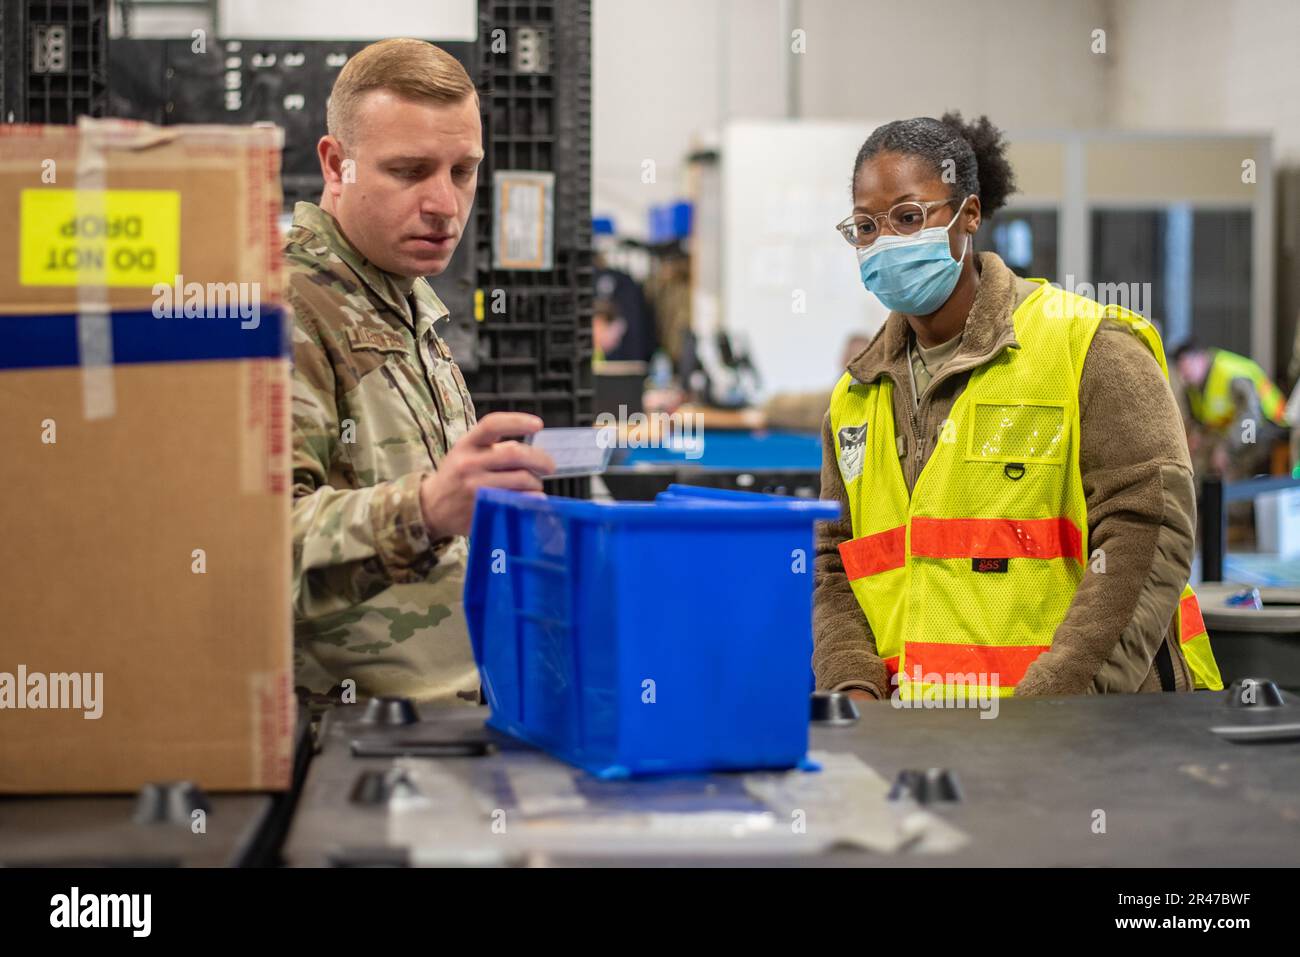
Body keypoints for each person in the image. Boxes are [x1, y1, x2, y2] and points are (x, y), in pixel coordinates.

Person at [815, 112, 1221, 702]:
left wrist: (1052, 710)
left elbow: (1148, 533)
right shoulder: (857, 396)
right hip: (926, 742)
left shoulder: (1088, 347)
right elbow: (836, 567)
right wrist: (853, 692)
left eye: (908, 217)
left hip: (1094, 740)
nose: (886, 242)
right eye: (866, 227)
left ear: (968, 215)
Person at [287, 39, 554, 704]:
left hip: (451, 725)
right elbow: (239, 548)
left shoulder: (404, 303)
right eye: (409, 171)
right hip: (344, 747)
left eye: (463, 171)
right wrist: (428, 508)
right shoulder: (282, 308)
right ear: (335, 163)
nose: (445, 203)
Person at [1172, 343, 1290, 480]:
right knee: (1201, 460)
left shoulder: (1229, 374)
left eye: (1187, 368)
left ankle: (1237, 497)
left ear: (1200, 359)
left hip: (1269, 426)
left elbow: (1251, 418)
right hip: (1236, 431)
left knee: (1234, 464)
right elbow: (1201, 420)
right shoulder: (1193, 385)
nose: (1184, 376)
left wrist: (1226, 449)